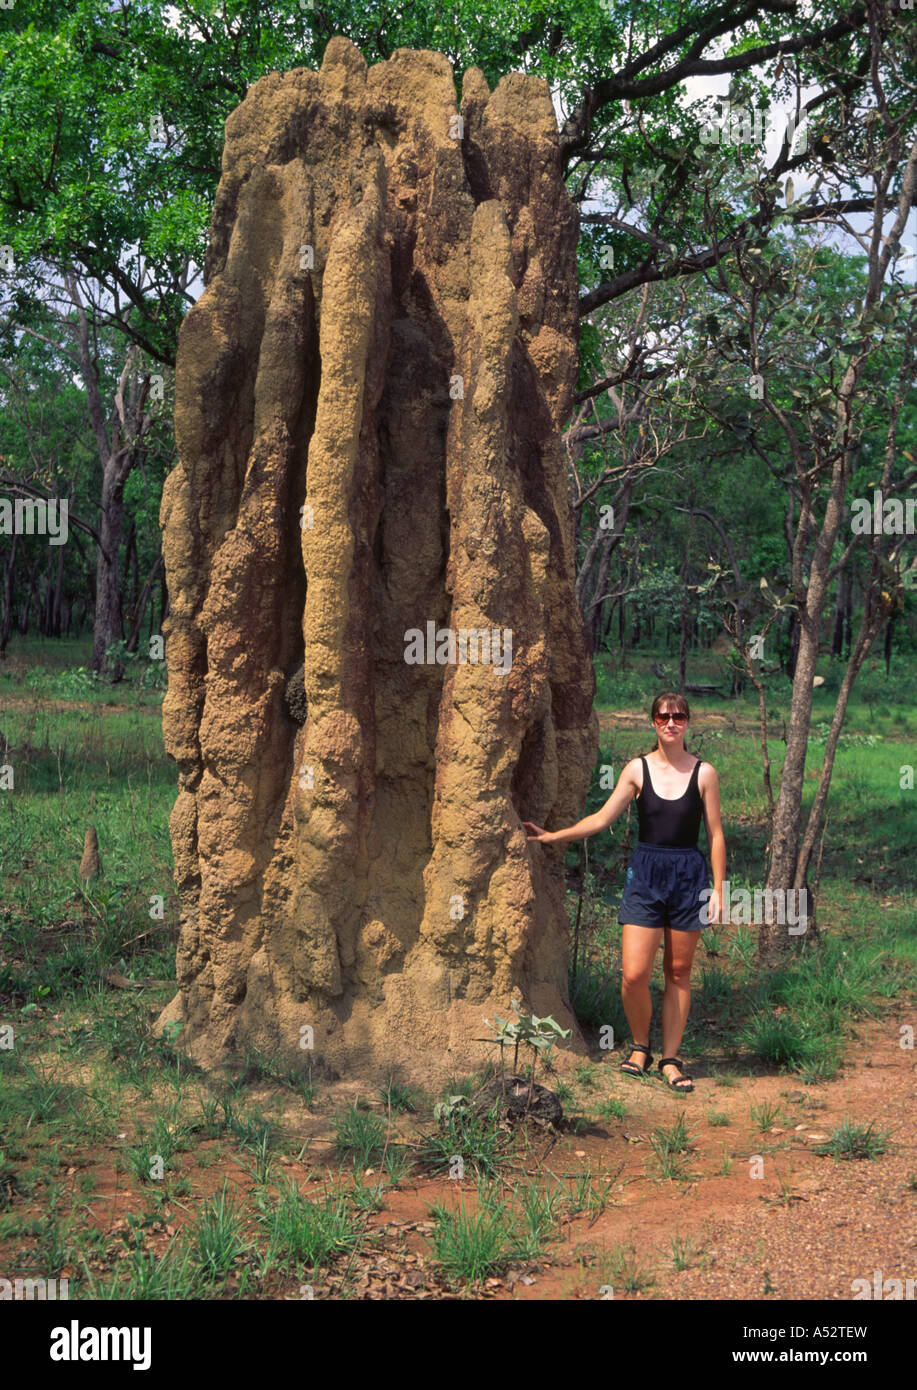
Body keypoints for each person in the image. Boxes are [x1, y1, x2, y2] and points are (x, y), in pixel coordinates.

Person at [522, 692, 725, 1093]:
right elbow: (601, 817)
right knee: (634, 974)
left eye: (679, 716)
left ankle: (670, 1059)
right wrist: (554, 836)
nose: (671, 723)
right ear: (653, 722)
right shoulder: (637, 770)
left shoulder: (704, 773)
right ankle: (640, 1046)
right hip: (646, 874)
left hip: (689, 875)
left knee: (679, 973)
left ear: (688, 721)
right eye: (664, 716)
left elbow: (717, 835)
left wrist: (719, 890)